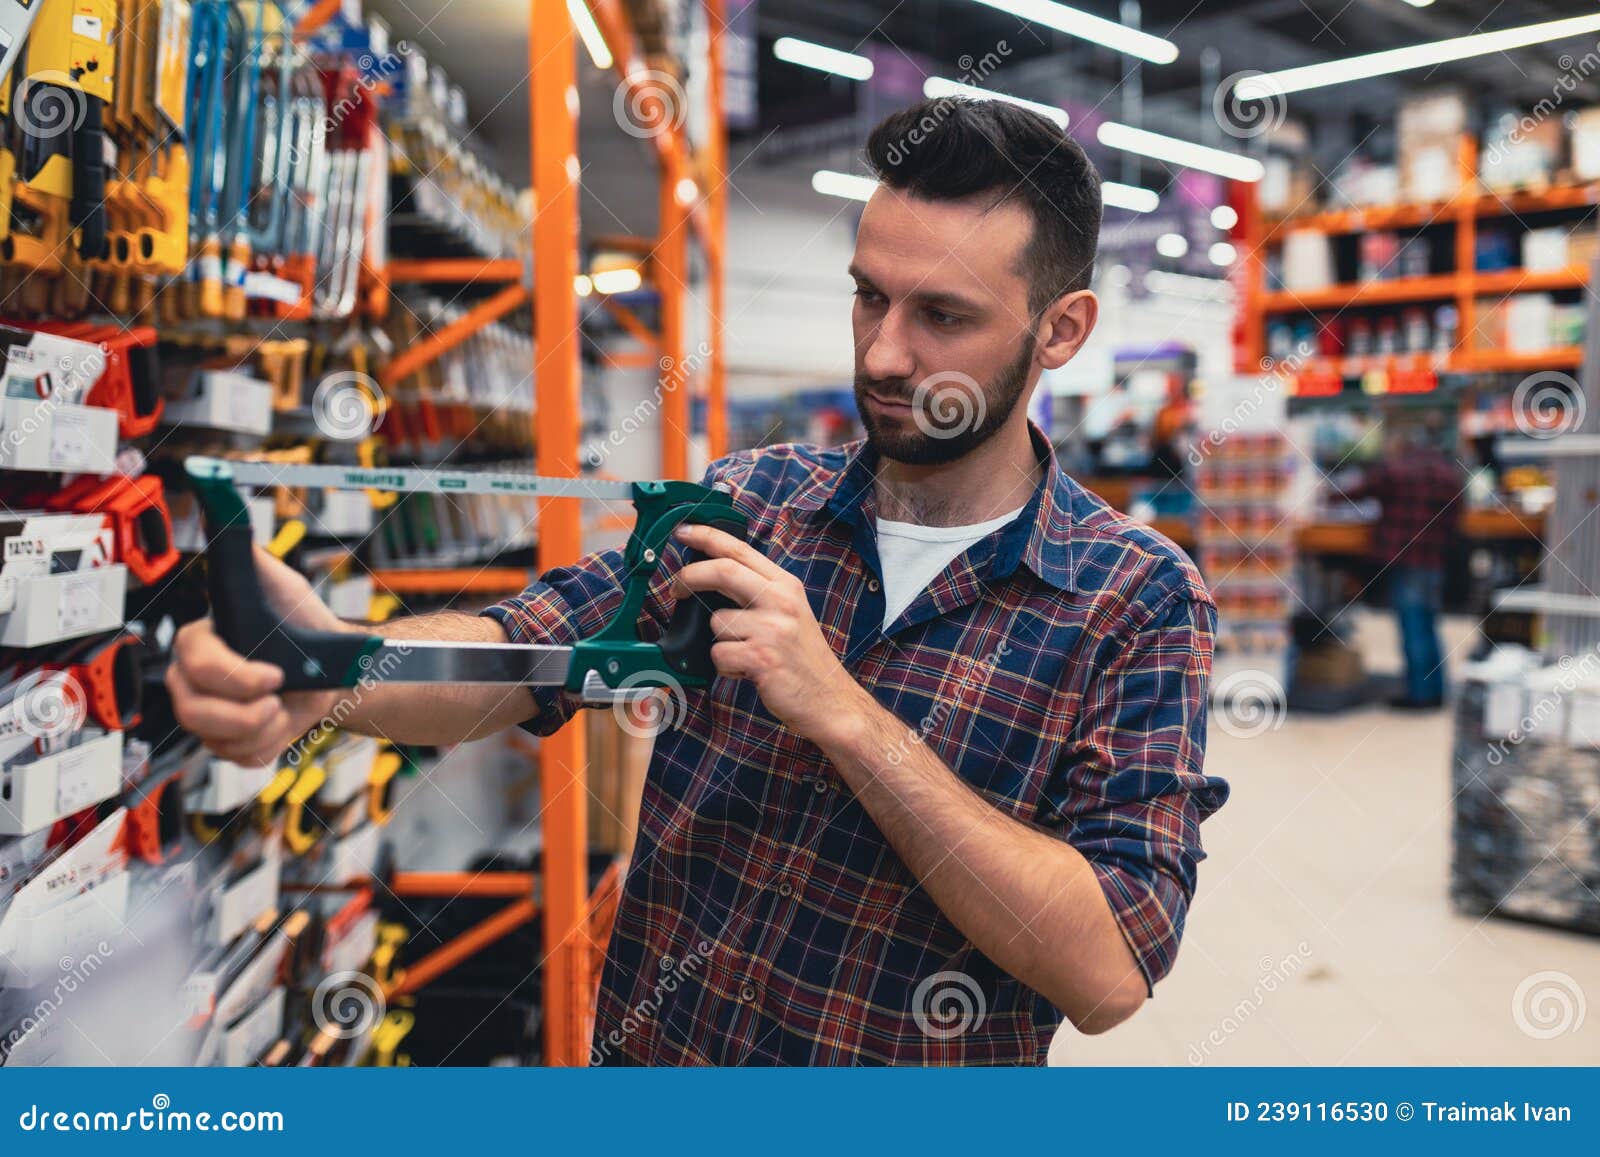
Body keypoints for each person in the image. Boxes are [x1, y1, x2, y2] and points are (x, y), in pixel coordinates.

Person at [168, 98, 1228, 1065]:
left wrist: (847, 717)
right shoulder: (747, 506)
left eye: (942, 316)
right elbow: (522, 649)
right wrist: (331, 665)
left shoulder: (1133, 601)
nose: (884, 354)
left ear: (1061, 329)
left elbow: (1109, 967)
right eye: (868, 297)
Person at [1345, 419, 1463, 709]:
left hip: (1404, 557)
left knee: (1411, 625)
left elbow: (1358, 490)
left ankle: (1419, 695)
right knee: (1428, 623)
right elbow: (1458, 514)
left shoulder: (1397, 470)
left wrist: (1322, 495)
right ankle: (1435, 690)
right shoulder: (1449, 475)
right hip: (1433, 558)